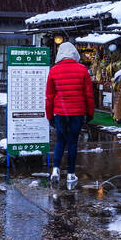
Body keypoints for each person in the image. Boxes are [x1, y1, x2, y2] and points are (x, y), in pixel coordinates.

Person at [46, 41, 95, 186]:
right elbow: (89, 95)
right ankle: (71, 174)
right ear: (74, 54)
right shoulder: (82, 70)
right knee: (73, 142)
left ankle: (55, 169)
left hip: (60, 112)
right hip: (77, 112)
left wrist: (49, 116)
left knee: (60, 141)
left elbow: (49, 97)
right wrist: (90, 113)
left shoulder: (54, 70)